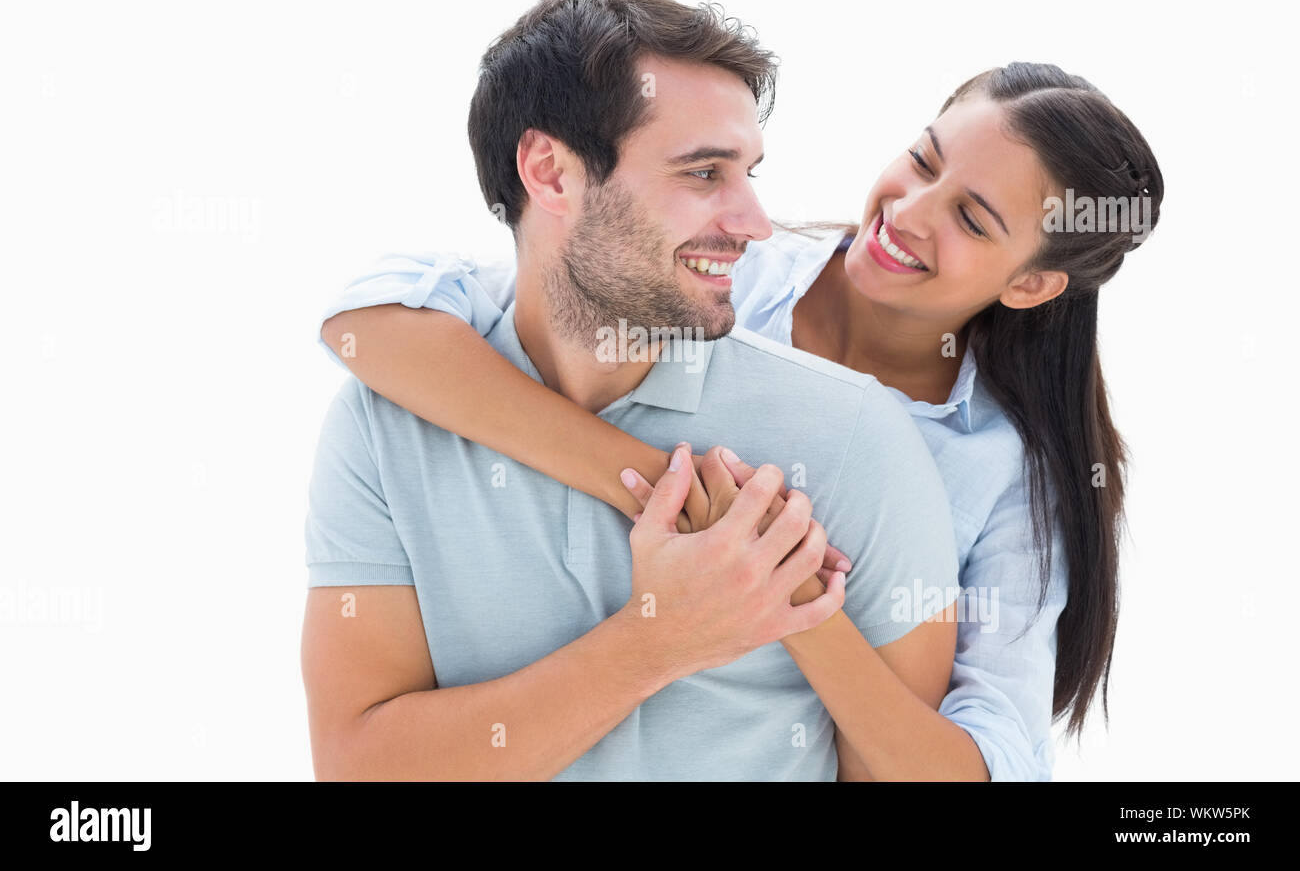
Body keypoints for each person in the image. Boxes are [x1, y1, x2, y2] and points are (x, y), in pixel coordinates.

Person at [317, 38, 1163, 777]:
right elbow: (376, 327)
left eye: (973, 220)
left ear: (1031, 283)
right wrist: (655, 484)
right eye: (924, 160)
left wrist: (776, 582)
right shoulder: (717, 275)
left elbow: (964, 766)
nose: (908, 213)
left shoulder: (1009, 478)